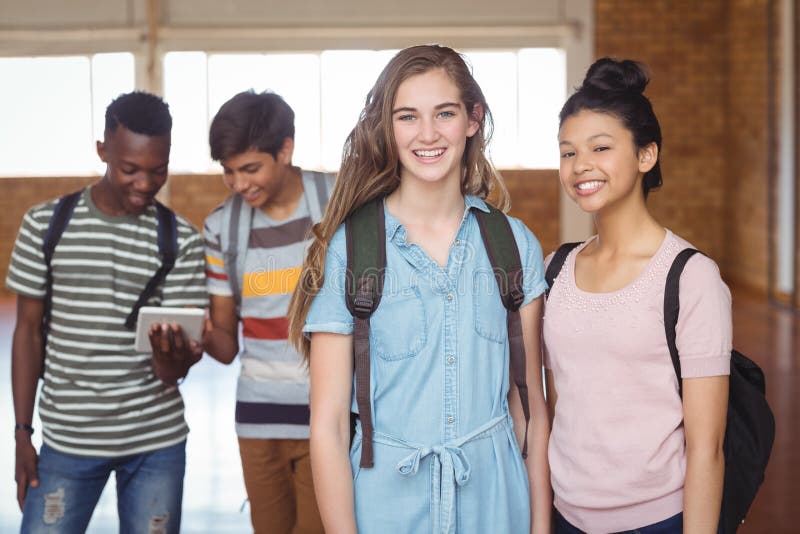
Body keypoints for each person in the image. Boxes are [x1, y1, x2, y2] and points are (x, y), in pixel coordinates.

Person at [287, 44, 552, 534]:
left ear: (472, 120)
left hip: (495, 504)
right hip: (386, 506)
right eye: (407, 116)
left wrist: (539, 527)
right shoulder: (352, 249)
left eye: (444, 114)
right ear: (388, 129)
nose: (427, 134)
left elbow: (530, 408)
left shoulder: (514, 245)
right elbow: (326, 427)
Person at [544, 58, 730, 533]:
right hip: (564, 514)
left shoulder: (691, 278)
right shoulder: (556, 268)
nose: (580, 166)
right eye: (568, 152)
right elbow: (555, 401)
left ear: (646, 156)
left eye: (600, 148)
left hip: (655, 520)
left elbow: (707, 448)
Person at [7, 91, 208, 533]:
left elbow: (174, 372)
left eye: (158, 170)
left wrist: (173, 357)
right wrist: (23, 432)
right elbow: (27, 333)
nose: (144, 183)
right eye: (129, 169)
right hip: (67, 439)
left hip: (156, 441)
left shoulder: (182, 241)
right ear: (103, 151)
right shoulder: (46, 225)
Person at [202, 90, 330, 534]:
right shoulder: (223, 227)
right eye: (229, 172)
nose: (239, 184)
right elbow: (223, 345)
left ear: (286, 150)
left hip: (328, 418)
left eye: (250, 168)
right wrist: (188, 334)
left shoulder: (337, 203)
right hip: (258, 421)